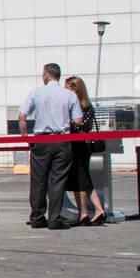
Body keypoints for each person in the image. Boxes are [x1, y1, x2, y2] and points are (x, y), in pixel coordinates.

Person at [18, 63, 83, 229]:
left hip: (41, 141)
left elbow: (22, 116)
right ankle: (54, 217)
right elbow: (78, 120)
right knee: (58, 180)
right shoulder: (69, 95)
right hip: (62, 141)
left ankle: (37, 217)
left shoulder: (37, 92)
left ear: (46, 75)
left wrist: (26, 137)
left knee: (38, 180)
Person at [63, 75, 106, 225]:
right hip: (73, 145)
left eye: (68, 90)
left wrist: (67, 121)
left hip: (81, 146)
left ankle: (85, 213)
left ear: (76, 90)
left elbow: (80, 126)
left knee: (81, 181)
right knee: (81, 181)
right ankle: (96, 211)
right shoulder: (72, 106)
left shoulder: (86, 107)